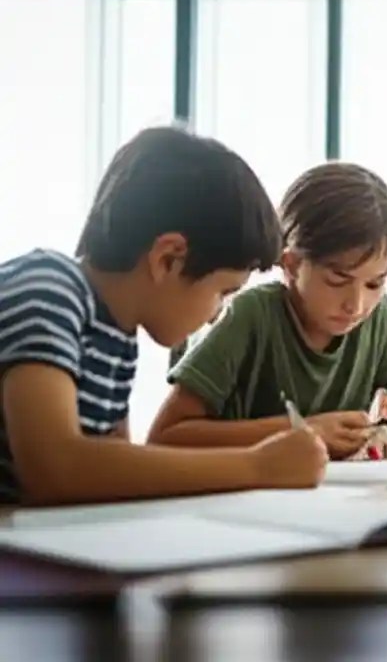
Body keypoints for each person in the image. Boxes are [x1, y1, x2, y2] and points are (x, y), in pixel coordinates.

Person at [0, 126, 325, 505]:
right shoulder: (48, 291)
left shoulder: (116, 335)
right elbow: (57, 468)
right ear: (168, 259)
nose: (215, 315)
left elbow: (115, 473)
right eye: (222, 292)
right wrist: (257, 467)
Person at [151, 162, 387, 458]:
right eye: (337, 280)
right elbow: (165, 435)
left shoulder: (380, 319)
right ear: (291, 265)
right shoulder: (250, 316)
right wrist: (300, 431)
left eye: (374, 284)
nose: (356, 305)